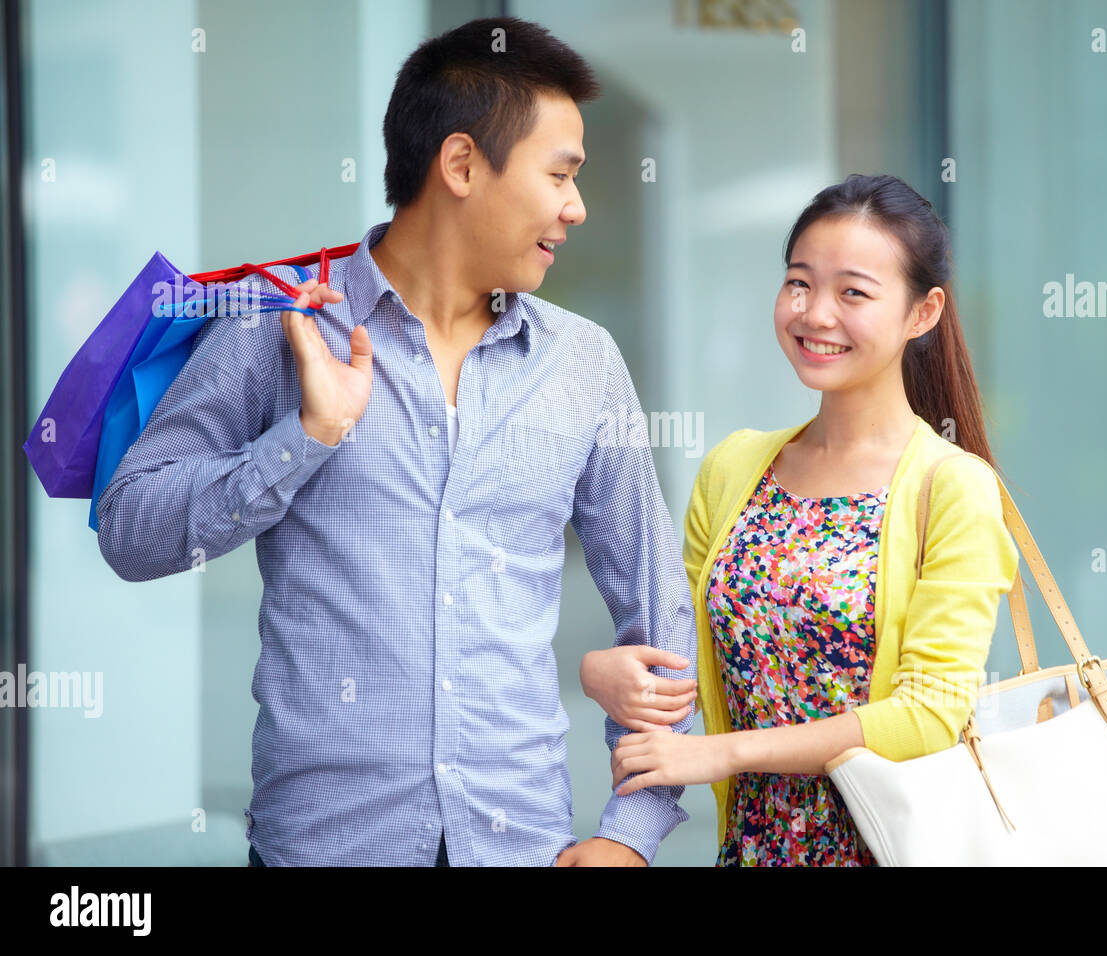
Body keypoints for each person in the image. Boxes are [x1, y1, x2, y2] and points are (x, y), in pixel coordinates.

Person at [97, 16, 698, 867]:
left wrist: (630, 837)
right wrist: (305, 437)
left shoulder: (583, 364)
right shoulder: (282, 325)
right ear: (460, 165)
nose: (577, 206)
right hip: (326, 848)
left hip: (521, 845)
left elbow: (660, 611)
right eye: (560, 175)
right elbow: (130, 530)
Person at [580, 173, 1020, 866]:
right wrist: (607, 674)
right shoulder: (734, 468)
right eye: (799, 282)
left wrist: (717, 754)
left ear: (923, 312)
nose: (815, 313)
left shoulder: (954, 487)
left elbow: (930, 714)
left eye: (853, 292)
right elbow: (687, 659)